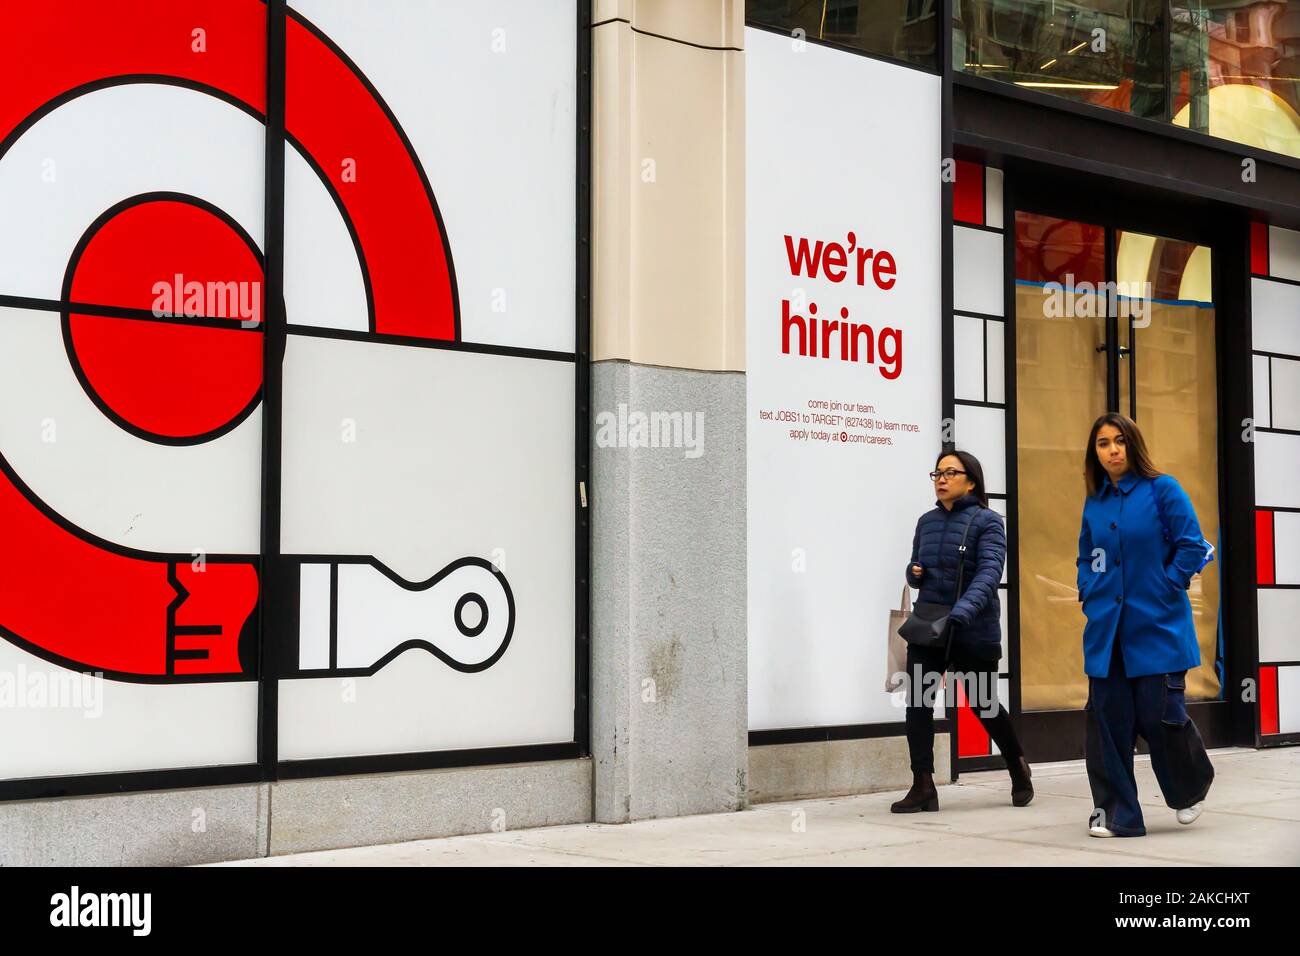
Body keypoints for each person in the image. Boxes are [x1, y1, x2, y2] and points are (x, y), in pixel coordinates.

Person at [1076, 412, 1216, 837]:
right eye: (1103, 443)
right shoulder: (1095, 500)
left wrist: (1166, 585)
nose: (1112, 450)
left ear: (1132, 444)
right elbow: (1087, 554)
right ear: (1094, 452)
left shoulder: (1162, 490)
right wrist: (1088, 590)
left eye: (1119, 441)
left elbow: (1194, 545)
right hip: (1108, 631)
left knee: (1160, 718)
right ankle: (1119, 815)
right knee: (1107, 724)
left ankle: (1190, 788)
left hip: (1158, 629)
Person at [891, 449, 1033, 812]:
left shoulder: (988, 521)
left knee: (984, 705)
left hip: (971, 628)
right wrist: (914, 572)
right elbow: (916, 567)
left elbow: (990, 572)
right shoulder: (926, 521)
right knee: (918, 704)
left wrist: (964, 611)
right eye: (937, 473)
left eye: (950, 473)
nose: (941, 479)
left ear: (971, 480)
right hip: (929, 627)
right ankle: (923, 785)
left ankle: (1017, 766)